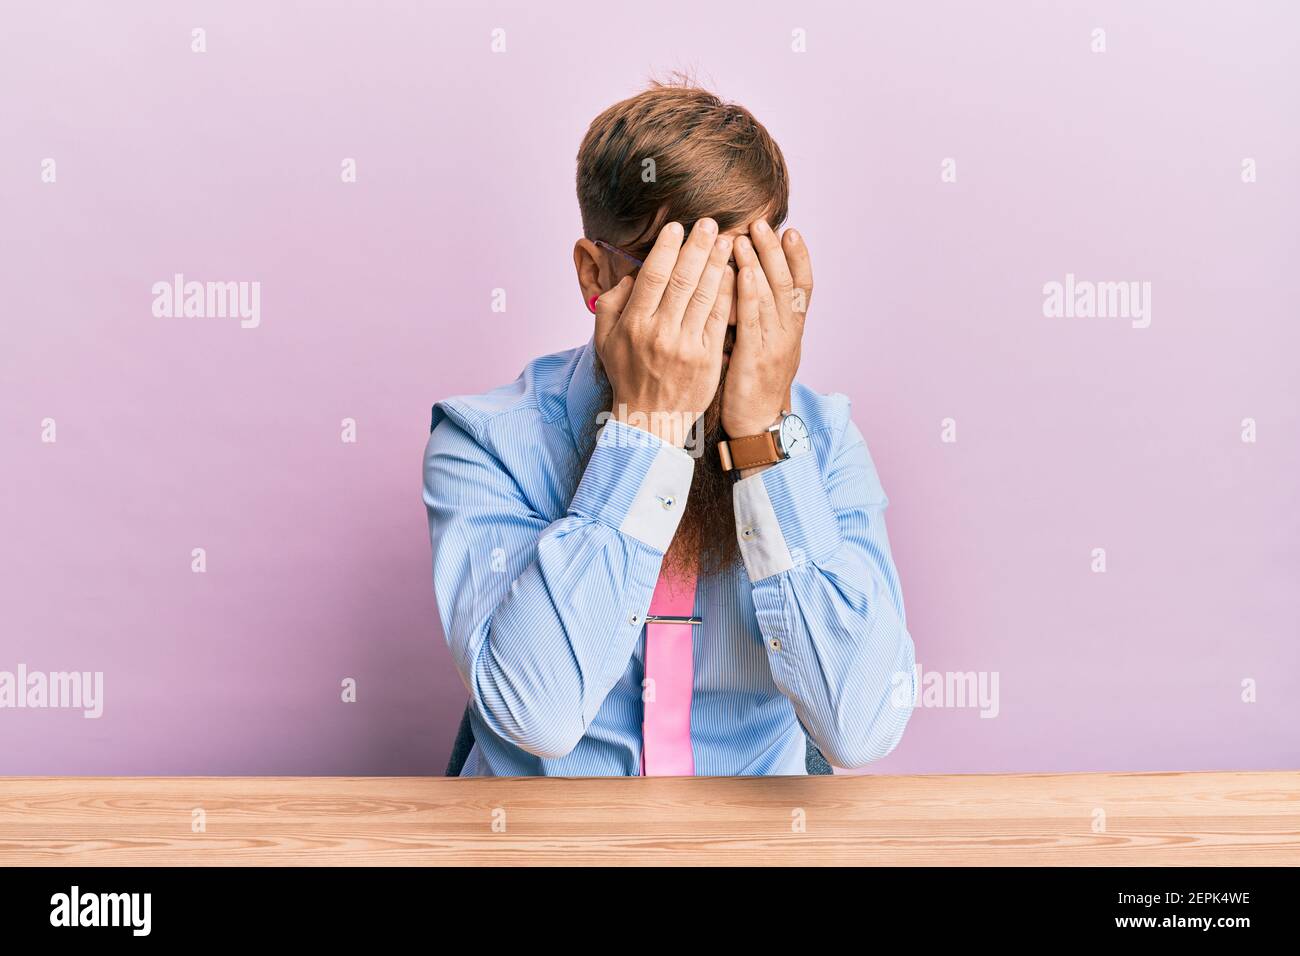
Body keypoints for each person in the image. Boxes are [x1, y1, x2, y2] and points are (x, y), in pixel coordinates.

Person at [423, 81, 916, 776]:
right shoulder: (488, 440)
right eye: (677, 270)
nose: (714, 309)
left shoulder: (823, 440)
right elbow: (538, 714)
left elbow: (860, 729)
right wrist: (649, 424)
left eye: (741, 266)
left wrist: (762, 437)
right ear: (596, 274)